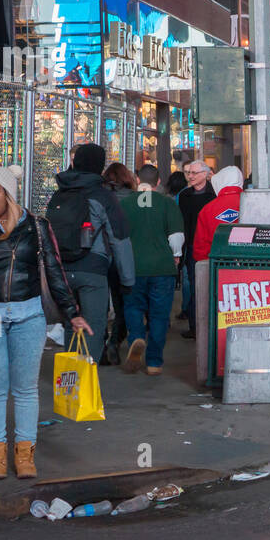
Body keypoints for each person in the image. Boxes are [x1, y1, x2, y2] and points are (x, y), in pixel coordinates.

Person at [0, 165, 88, 481]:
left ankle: (25, 453)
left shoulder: (37, 227)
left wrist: (72, 312)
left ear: (9, 193)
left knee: (26, 388)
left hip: (29, 315)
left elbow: (54, 272)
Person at [47, 144, 135, 362]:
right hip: (92, 270)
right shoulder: (102, 196)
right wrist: (127, 280)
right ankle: (85, 382)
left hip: (63, 270)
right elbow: (119, 239)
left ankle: (69, 381)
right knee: (93, 326)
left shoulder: (59, 193)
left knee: (72, 323)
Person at [120, 164, 184, 375]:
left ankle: (136, 338)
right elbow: (176, 236)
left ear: (137, 180)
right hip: (162, 267)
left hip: (133, 267)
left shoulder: (125, 203)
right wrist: (175, 256)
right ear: (158, 182)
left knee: (133, 308)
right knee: (159, 315)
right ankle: (154, 362)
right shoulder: (167, 203)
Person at [99, 162, 139, 365]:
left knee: (100, 305)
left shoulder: (100, 197)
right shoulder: (136, 199)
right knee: (122, 302)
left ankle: (101, 344)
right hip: (123, 256)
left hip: (99, 256)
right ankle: (115, 341)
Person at [177, 160, 216, 337]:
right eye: (189, 173)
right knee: (194, 286)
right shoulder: (185, 195)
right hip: (192, 246)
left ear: (206, 174)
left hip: (212, 245)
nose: (190, 176)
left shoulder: (214, 194)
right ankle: (195, 327)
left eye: (194, 173)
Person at [193, 165, 244, 263]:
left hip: (217, 265)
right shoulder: (252, 203)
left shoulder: (207, 209)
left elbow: (200, 247)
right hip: (251, 267)